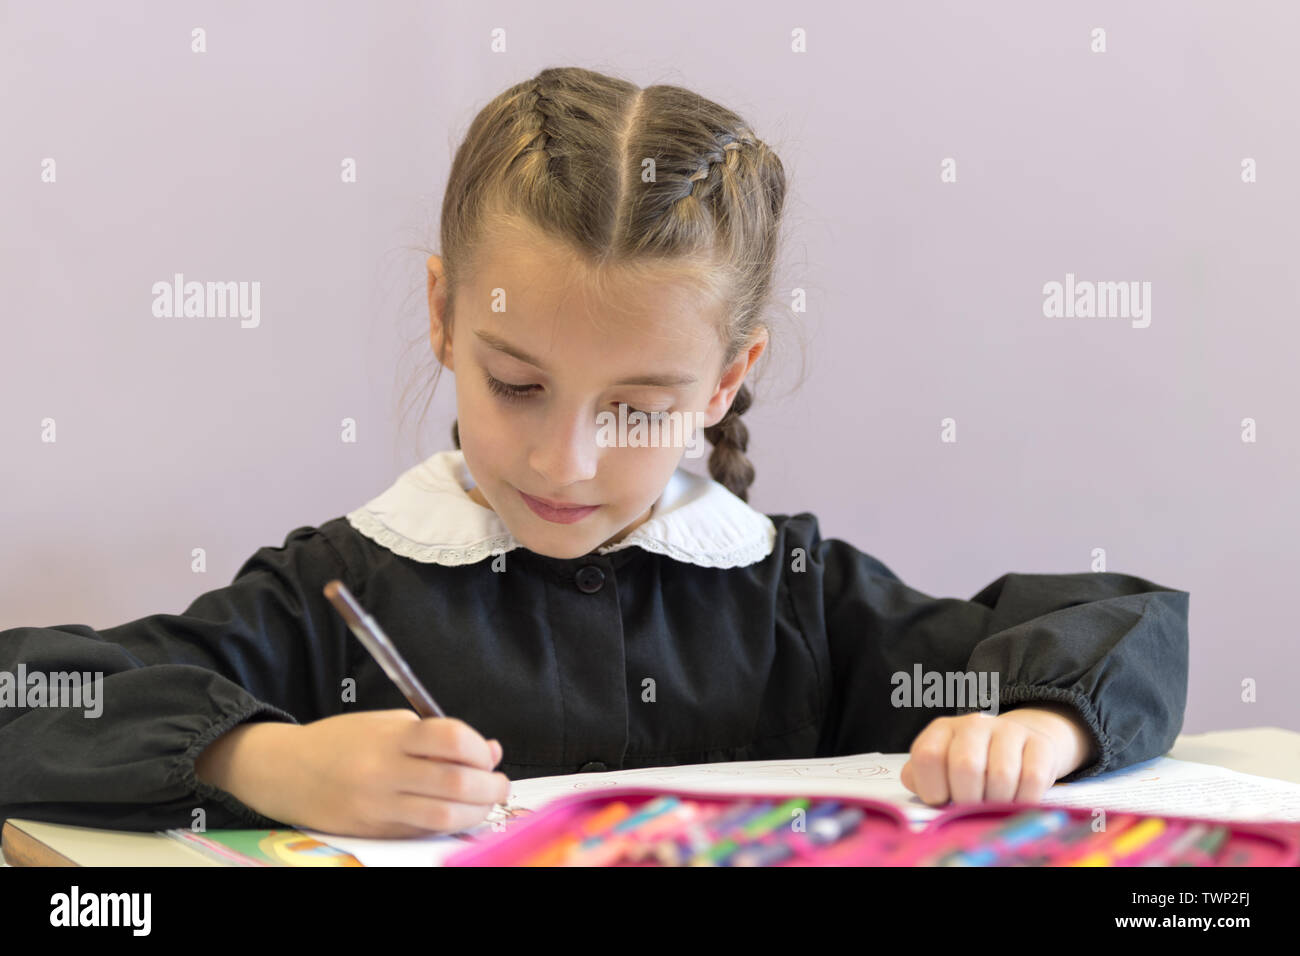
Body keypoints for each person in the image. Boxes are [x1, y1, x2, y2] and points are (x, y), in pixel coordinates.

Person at [0, 67, 1188, 839]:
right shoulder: (333, 595)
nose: (563, 459)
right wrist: (261, 758)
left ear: (725, 380)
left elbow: (1127, 622)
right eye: (516, 383)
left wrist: (1041, 721)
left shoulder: (794, 604)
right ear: (441, 316)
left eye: (636, 405)